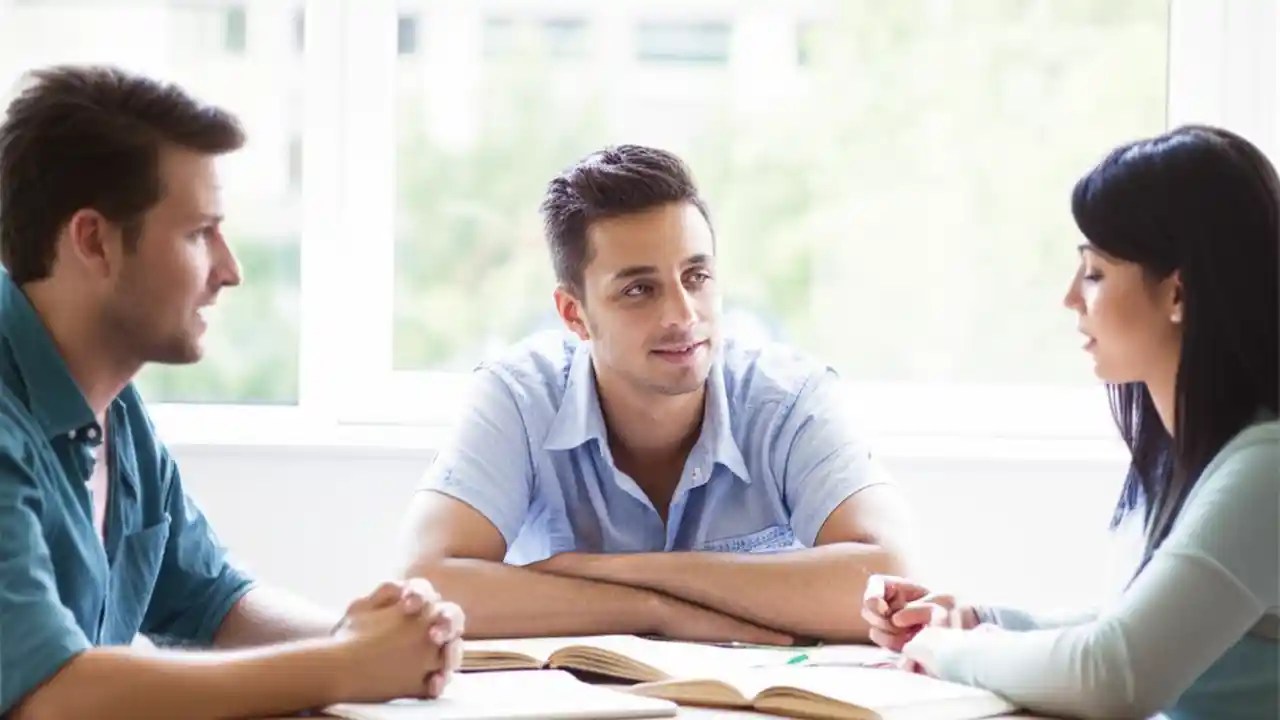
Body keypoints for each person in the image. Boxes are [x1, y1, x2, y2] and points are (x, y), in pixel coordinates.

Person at [0, 65, 464, 719]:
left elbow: (212, 599)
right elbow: (50, 694)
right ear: (93, 240)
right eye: (198, 233)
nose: (230, 270)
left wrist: (374, 637)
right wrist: (346, 663)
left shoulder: (114, 406)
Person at [402, 144, 916, 643]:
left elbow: (890, 576)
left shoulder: (788, 399)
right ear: (574, 315)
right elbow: (426, 584)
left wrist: (628, 571)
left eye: (696, 276)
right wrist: (654, 610)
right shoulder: (518, 396)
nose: (684, 315)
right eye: (639, 290)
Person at [863, 125, 1279, 719]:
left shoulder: (1265, 470)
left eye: (1095, 272)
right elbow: (1127, 625)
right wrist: (980, 619)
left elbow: (1113, 672)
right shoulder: (1210, 458)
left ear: (1178, 293)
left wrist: (950, 649)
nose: (1069, 298)